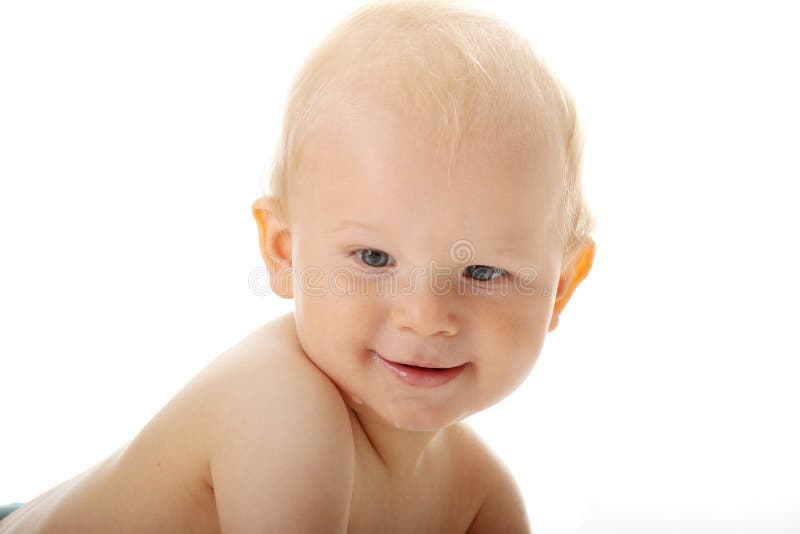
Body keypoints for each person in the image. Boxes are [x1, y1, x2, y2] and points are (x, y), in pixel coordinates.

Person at [0, 0, 595, 532]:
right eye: (374, 258)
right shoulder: (283, 413)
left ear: (560, 288)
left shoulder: (480, 494)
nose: (425, 316)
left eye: (484, 273)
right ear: (284, 253)